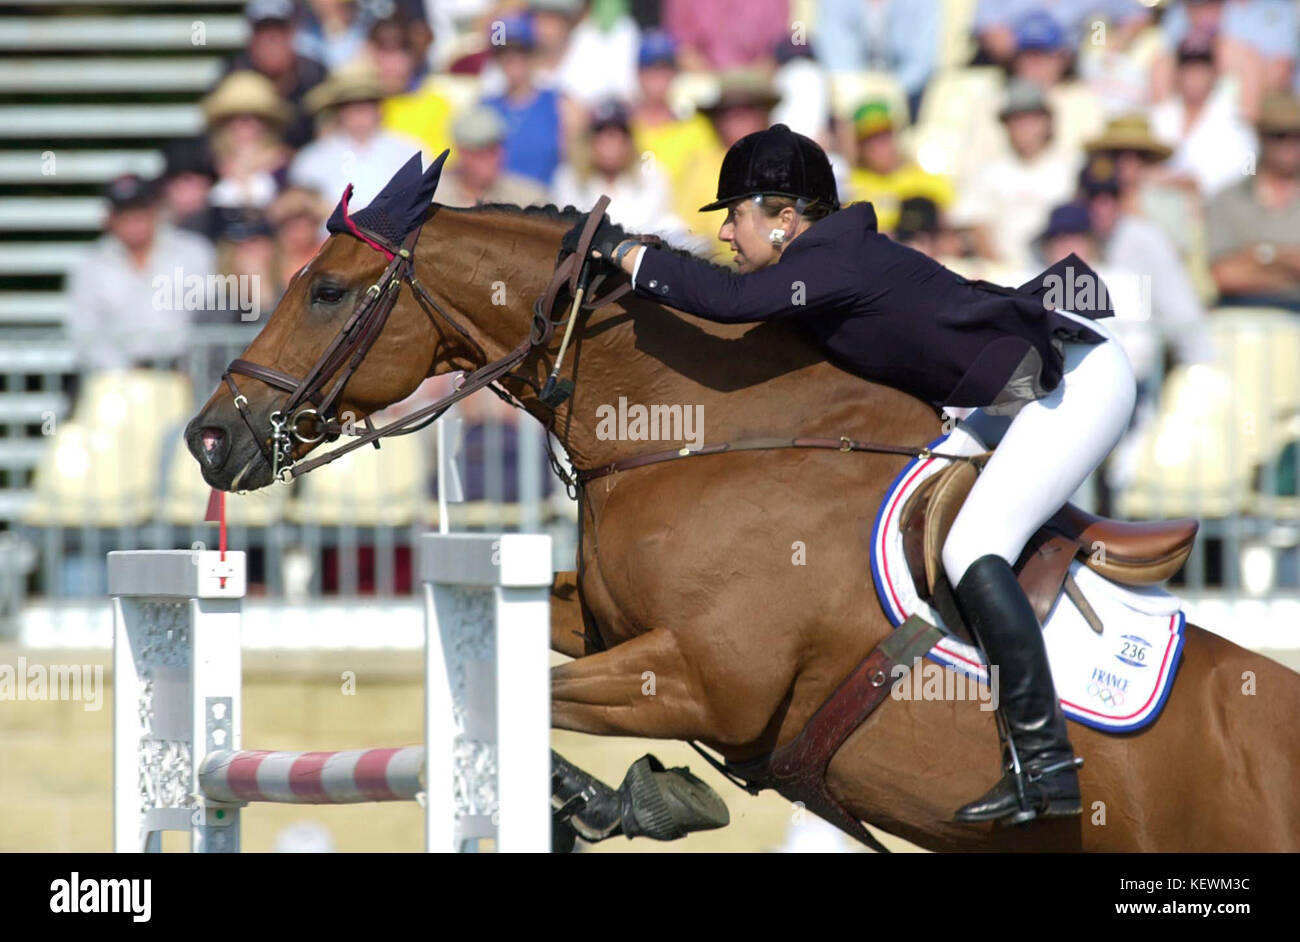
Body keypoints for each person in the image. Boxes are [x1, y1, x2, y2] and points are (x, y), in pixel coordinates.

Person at [563, 124, 1138, 825]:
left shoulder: (834, 260)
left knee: (971, 546)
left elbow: (732, 305)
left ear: (783, 218)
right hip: (1012, 390)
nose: (727, 237)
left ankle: (1046, 764)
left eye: (735, 217)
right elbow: (732, 309)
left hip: (1075, 380)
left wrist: (626, 252)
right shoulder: (821, 263)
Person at [65, 175, 215, 372]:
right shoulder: (90, 264)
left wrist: (191, 368)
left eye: (139, 212)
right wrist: (122, 372)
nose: (133, 222)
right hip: (115, 381)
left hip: (187, 374)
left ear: (155, 212)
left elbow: (211, 318)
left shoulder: (194, 253)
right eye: (124, 214)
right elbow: (84, 329)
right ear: (110, 218)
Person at [1206, 91, 1300, 310]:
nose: (1289, 145)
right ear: (1261, 136)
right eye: (1279, 135)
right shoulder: (1228, 199)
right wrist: (1290, 270)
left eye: (1297, 135)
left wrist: (1262, 254)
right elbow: (1224, 276)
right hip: (1240, 316)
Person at [434, 106, 549, 208]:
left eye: (496, 148)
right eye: (481, 150)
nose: (493, 158)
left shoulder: (529, 199)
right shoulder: (434, 198)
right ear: (462, 153)